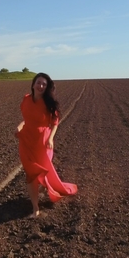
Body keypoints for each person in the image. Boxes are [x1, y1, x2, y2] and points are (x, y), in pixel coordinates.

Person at [14, 72, 78, 218]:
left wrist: (50, 138)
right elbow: (26, 119)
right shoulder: (26, 99)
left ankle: (43, 188)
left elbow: (55, 123)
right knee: (30, 173)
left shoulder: (49, 103)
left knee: (42, 171)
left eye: (44, 84)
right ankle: (35, 208)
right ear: (33, 84)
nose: (41, 86)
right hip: (26, 140)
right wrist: (19, 127)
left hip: (42, 143)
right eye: (39, 83)